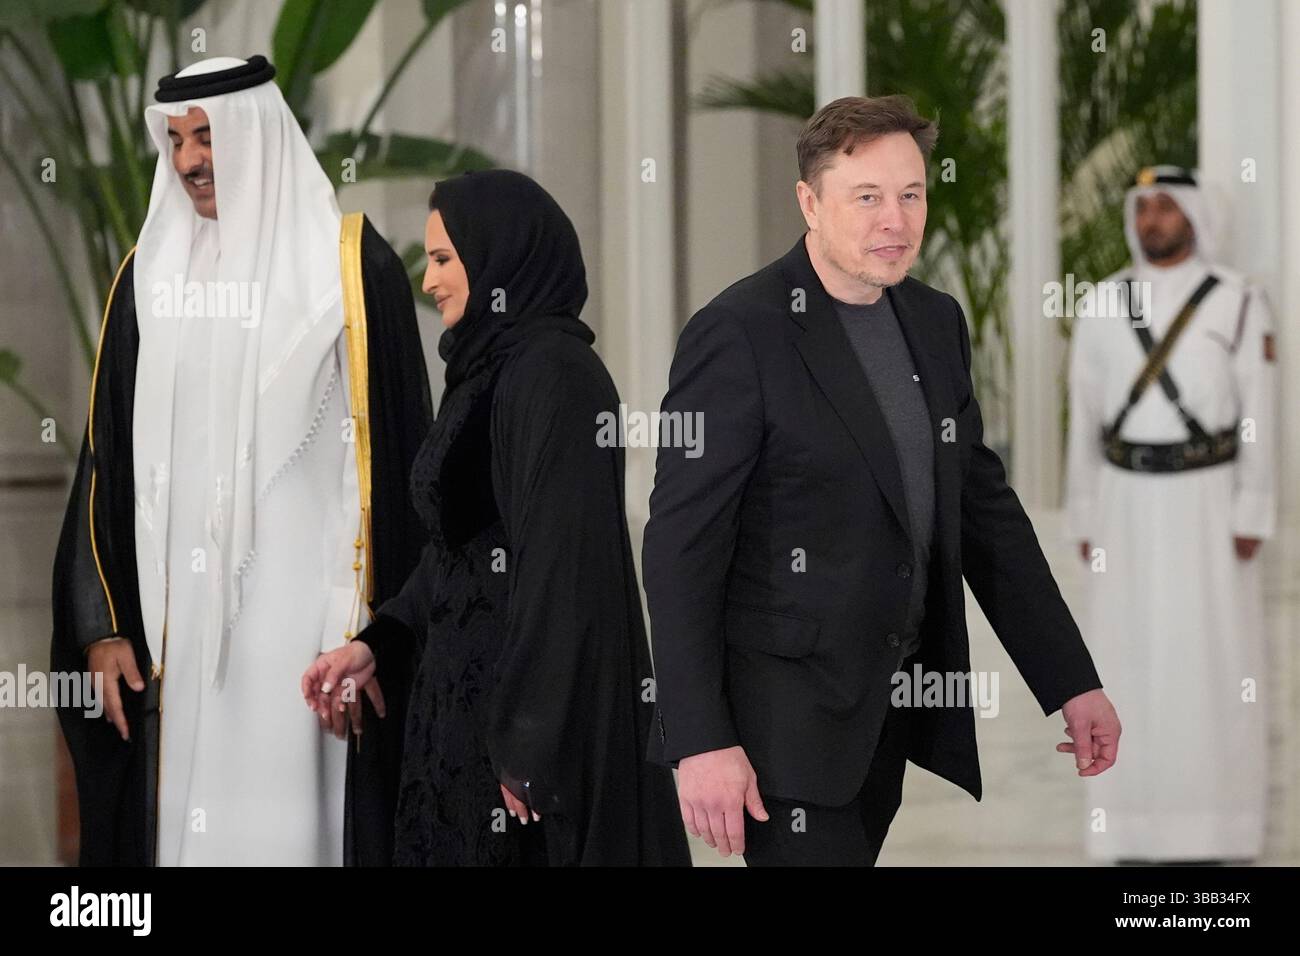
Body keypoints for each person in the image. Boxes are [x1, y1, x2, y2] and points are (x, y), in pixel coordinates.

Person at [642, 94, 1121, 866]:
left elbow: (986, 514)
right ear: (810, 201)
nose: (894, 221)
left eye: (911, 194)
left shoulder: (934, 322)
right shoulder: (739, 334)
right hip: (780, 730)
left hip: (888, 715)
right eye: (867, 197)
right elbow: (679, 551)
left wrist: (1071, 682)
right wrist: (699, 740)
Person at [50, 55, 432, 866]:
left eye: (208, 137)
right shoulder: (145, 281)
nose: (189, 161)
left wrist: (373, 631)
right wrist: (104, 622)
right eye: (178, 140)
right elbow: (103, 463)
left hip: (315, 631)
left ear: (257, 137)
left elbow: (401, 464)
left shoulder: (352, 271)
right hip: (178, 632)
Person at [301, 168, 691, 866]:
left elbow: (562, 576)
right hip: (460, 720)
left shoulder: (556, 377)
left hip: (520, 744)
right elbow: (460, 552)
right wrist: (379, 643)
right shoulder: (485, 369)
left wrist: (533, 744)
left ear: (502, 258)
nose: (429, 282)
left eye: (445, 260)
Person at [1065, 166, 1277, 863]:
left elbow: (1260, 413)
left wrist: (1252, 508)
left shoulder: (1239, 302)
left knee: (1213, 662)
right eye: (1144, 207)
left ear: (1192, 215)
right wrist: (1085, 515)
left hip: (1210, 505)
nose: (1153, 218)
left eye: (1166, 206)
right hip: (1124, 502)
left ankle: (1218, 829)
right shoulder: (1101, 302)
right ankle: (1126, 828)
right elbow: (1086, 420)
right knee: (1123, 661)